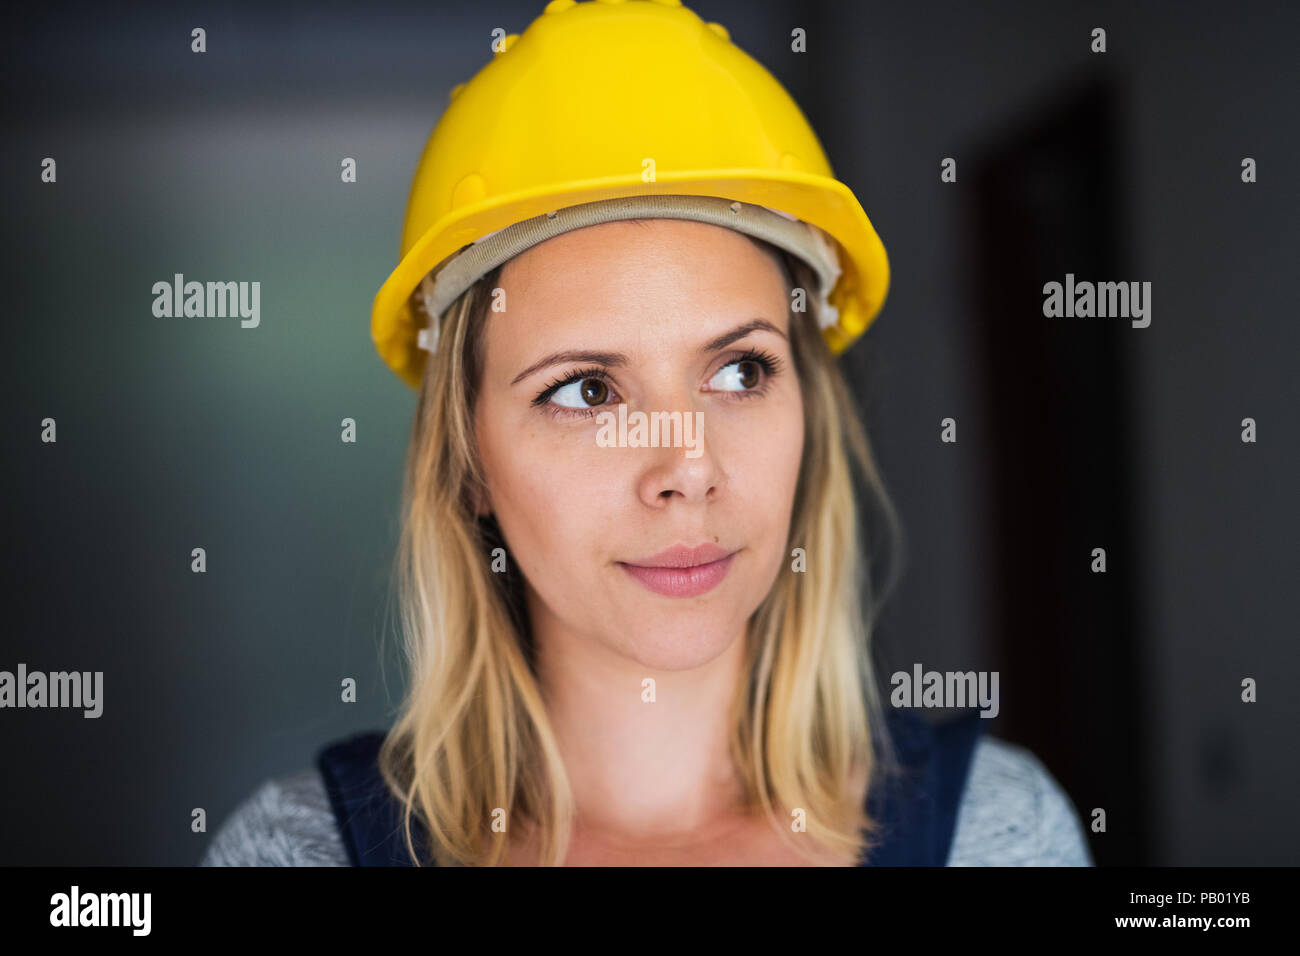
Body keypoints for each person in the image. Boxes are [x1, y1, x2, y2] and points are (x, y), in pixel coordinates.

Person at [202, 0, 1092, 867]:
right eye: (587, 390)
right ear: (467, 461)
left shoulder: (994, 831)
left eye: (741, 371)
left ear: (808, 412)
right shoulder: (296, 852)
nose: (688, 466)